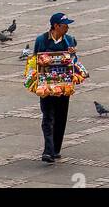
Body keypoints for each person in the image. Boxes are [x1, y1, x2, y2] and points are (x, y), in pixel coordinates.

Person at [33, 12, 81, 164]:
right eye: (64, 25)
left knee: (61, 118)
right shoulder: (41, 40)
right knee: (47, 117)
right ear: (55, 26)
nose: (67, 28)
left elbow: (74, 62)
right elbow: (34, 59)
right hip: (46, 85)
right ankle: (48, 151)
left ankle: (55, 149)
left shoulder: (69, 40)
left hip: (63, 86)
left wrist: (73, 55)